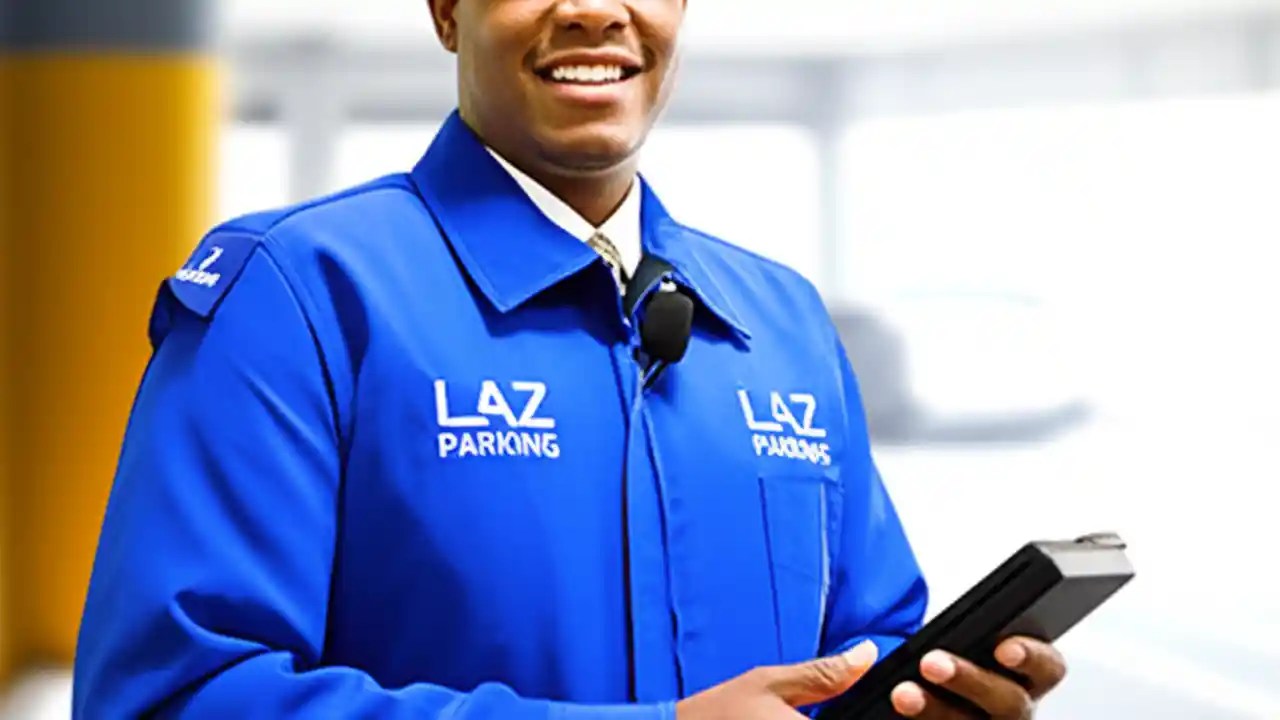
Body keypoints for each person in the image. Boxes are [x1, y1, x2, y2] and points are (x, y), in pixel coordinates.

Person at [73, 0, 1068, 718]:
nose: (595, 11)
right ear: (445, 10)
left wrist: (930, 700)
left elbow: (866, 642)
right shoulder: (300, 296)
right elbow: (177, 696)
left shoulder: (781, 323)